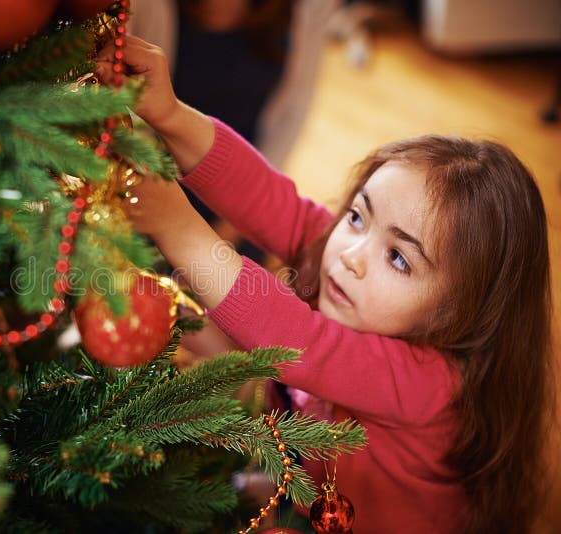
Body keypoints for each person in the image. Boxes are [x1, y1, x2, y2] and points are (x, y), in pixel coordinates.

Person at [95, 36, 555, 533]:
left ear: (459, 313)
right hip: (318, 473)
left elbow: (301, 341)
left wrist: (179, 229)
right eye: (358, 216)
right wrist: (172, 115)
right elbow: (273, 199)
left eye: (398, 258)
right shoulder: (353, 266)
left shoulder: (433, 384)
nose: (351, 255)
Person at [128, 0, 338, 264]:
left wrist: (237, 222)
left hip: (245, 179)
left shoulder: (307, 8)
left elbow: (292, 112)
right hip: (152, 175)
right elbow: (131, 114)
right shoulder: (150, 8)